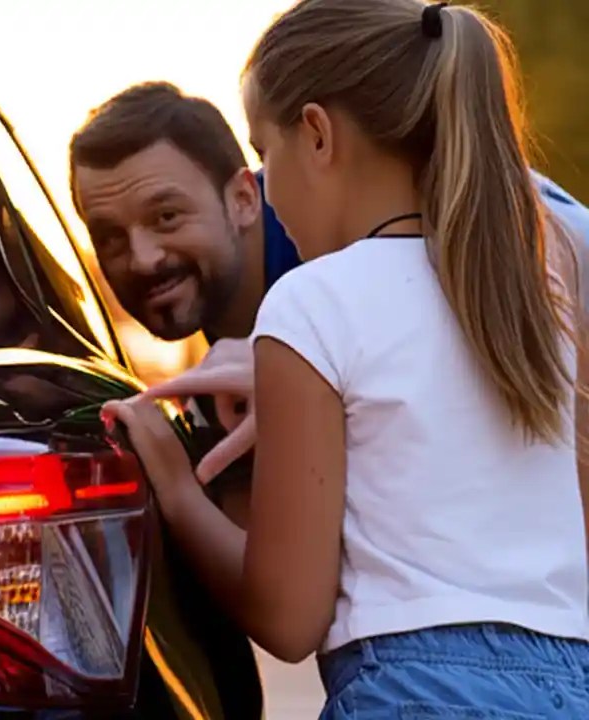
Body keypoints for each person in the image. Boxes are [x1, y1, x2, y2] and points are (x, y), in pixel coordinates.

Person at [101, 0, 589, 716]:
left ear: (318, 135)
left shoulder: (311, 303)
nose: (267, 189)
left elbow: (287, 618)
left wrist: (174, 487)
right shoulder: (536, 297)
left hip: (411, 694)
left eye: (265, 155)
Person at [71, 80, 589, 486]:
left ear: (243, 200)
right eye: (110, 238)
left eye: (166, 217)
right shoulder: (223, 357)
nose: (142, 259)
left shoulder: (357, 240)